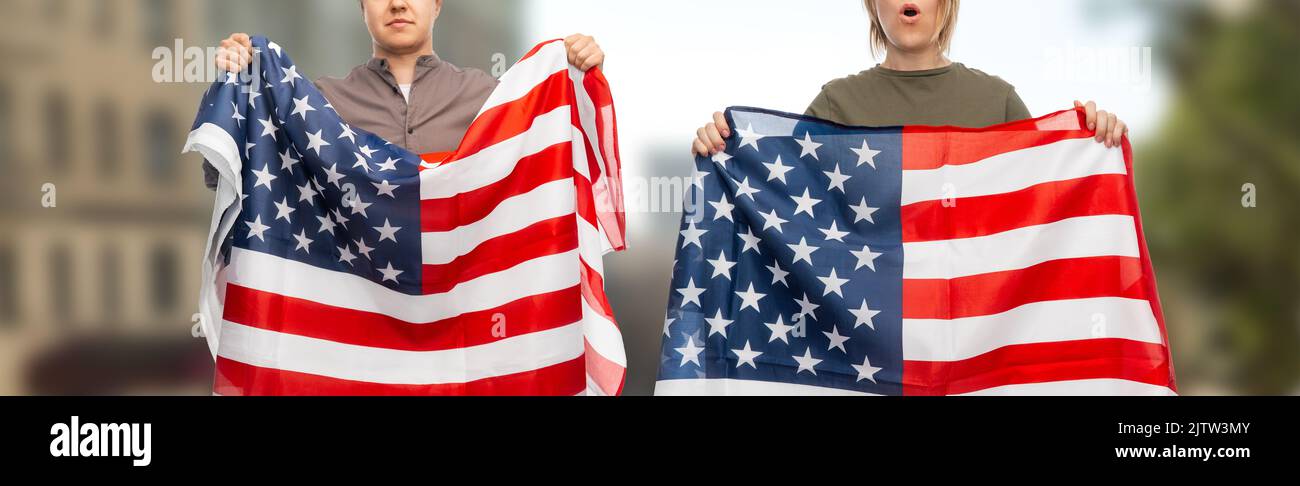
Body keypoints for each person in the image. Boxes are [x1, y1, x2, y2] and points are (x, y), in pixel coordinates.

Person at [204, 0, 606, 189]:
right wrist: (237, 87)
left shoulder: (492, 99)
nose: (397, 4)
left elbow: (566, 173)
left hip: (461, 338)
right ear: (361, 7)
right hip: (356, 341)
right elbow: (226, 174)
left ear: (437, 5)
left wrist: (578, 82)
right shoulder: (316, 103)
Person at [690, 0, 1128, 157]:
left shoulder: (997, 102)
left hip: (975, 348)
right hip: (868, 353)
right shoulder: (835, 105)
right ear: (872, 4)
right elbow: (777, 198)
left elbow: (1047, 214)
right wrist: (724, 149)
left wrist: (1091, 140)